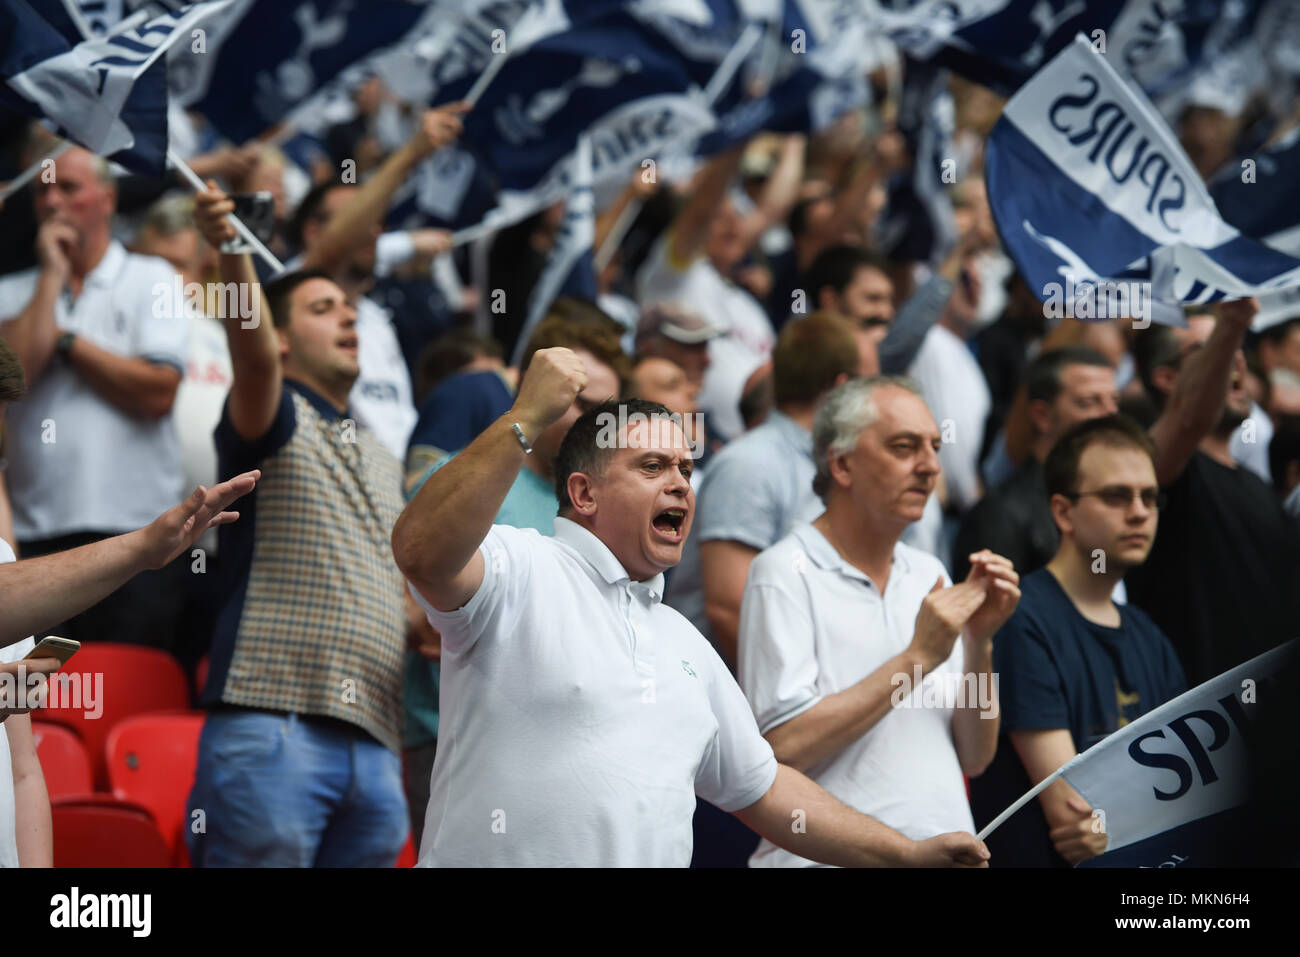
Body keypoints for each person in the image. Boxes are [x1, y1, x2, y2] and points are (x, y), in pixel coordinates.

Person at [391, 349, 990, 867]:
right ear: (583, 493)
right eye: (652, 467)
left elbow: (770, 789)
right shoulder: (521, 568)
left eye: (685, 468)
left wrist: (906, 855)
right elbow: (420, 552)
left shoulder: (682, 642)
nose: (681, 483)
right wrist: (524, 418)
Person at [184, 183, 413, 867]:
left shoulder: (380, 451)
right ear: (281, 336)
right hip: (272, 718)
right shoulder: (272, 412)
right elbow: (252, 357)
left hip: (375, 738)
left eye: (350, 309)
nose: (348, 319)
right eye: (323, 308)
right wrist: (231, 248)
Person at [738, 376, 1018, 866]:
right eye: (904, 447)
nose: (930, 466)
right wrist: (916, 659)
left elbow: (975, 756)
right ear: (842, 464)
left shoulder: (929, 572)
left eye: (934, 447)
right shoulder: (784, 570)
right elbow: (781, 749)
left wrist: (980, 643)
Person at [968, 416, 1188, 867]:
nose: (1140, 512)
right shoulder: (1018, 616)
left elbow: (1185, 789)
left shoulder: (1150, 633)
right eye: (1116, 495)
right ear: (1063, 512)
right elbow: (1073, 811)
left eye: (1150, 497)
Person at [0, 146, 190, 653]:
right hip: (36, 539)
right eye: (42, 189)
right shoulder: (12, 291)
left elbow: (157, 392)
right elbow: (11, 377)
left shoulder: (153, 279)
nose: (52, 200)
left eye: (69, 187)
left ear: (107, 199)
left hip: (138, 535)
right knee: (42, 708)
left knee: (132, 693)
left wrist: (65, 341)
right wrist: (52, 276)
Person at [667, 312, 875, 667]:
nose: (877, 404)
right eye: (869, 386)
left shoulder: (829, 464)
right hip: (732, 705)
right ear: (841, 389)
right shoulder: (751, 464)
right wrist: (793, 710)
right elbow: (729, 609)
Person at [1126, 301, 1300, 684]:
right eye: (1208, 349)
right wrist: (1234, 322)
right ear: (1167, 378)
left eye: (1237, 348)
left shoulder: (1257, 485)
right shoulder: (1157, 472)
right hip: (1204, 730)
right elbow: (1189, 419)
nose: (1235, 359)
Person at [291, 103, 467, 459]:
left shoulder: (375, 318)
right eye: (359, 221)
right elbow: (333, 251)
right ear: (314, 231)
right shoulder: (289, 293)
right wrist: (413, 153)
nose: (373, 232)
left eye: (377, 222)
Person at [952, 347, 1118, 581]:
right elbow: (985, 612)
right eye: (1089, 402)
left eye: (1114, 401)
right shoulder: (1001, 514)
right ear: (1042, 416)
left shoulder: (1108, 501)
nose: (1110, 415)